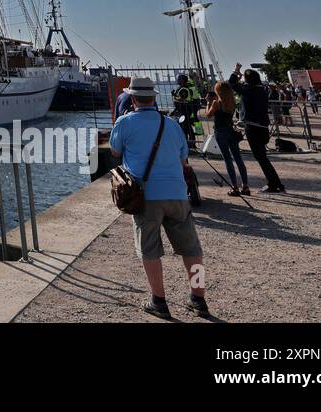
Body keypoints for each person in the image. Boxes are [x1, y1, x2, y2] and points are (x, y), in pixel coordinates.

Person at [109, 77, 209, 318]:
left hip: (146, 197)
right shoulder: (172, 124)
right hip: (176, 193)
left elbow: (114, 151)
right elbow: (183, 160)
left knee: (150, 250)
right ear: (154, 98)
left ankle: (159, 301)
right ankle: (198, 298)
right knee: (192, 250)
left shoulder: (124, 122)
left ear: (132, 99)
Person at [229, 64, 286, 193]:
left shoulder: (250, 90)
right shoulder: (262, 90)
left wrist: (236, 71)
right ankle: (276, 182)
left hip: (253, 127)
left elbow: (232, 83)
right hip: (263, 126)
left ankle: (274, 183)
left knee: (261, 157)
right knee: (262, 156)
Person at [204, 81, 250, 196]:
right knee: (238, 159)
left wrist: (208, 102)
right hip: (230, 131)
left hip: (220, 131)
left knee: (227, 159)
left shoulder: (216, 103)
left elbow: (208, 115)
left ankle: (235, 187)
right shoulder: (232, 101)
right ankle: (245, 186)